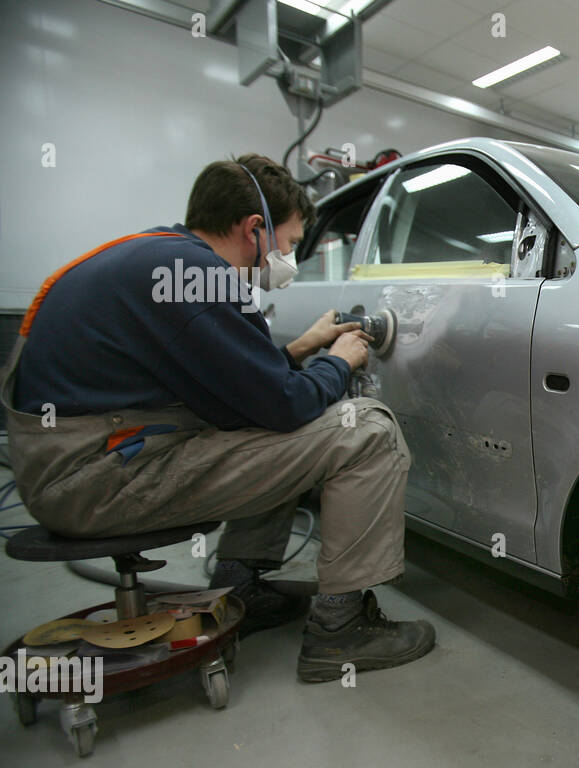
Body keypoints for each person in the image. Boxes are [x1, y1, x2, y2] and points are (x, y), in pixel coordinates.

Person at [0, 153, 435, 683]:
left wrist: (303, 348)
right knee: (366, 431)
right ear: (254, 229)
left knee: (265, 429)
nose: (289, 260)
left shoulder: (165, 260)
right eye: (291, 245)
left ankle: (241, 582)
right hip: (95, 480)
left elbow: (236, 390)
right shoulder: (199, 276)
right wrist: (338, 362)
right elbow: (282, 405)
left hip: (72, 467)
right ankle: (340, 630)